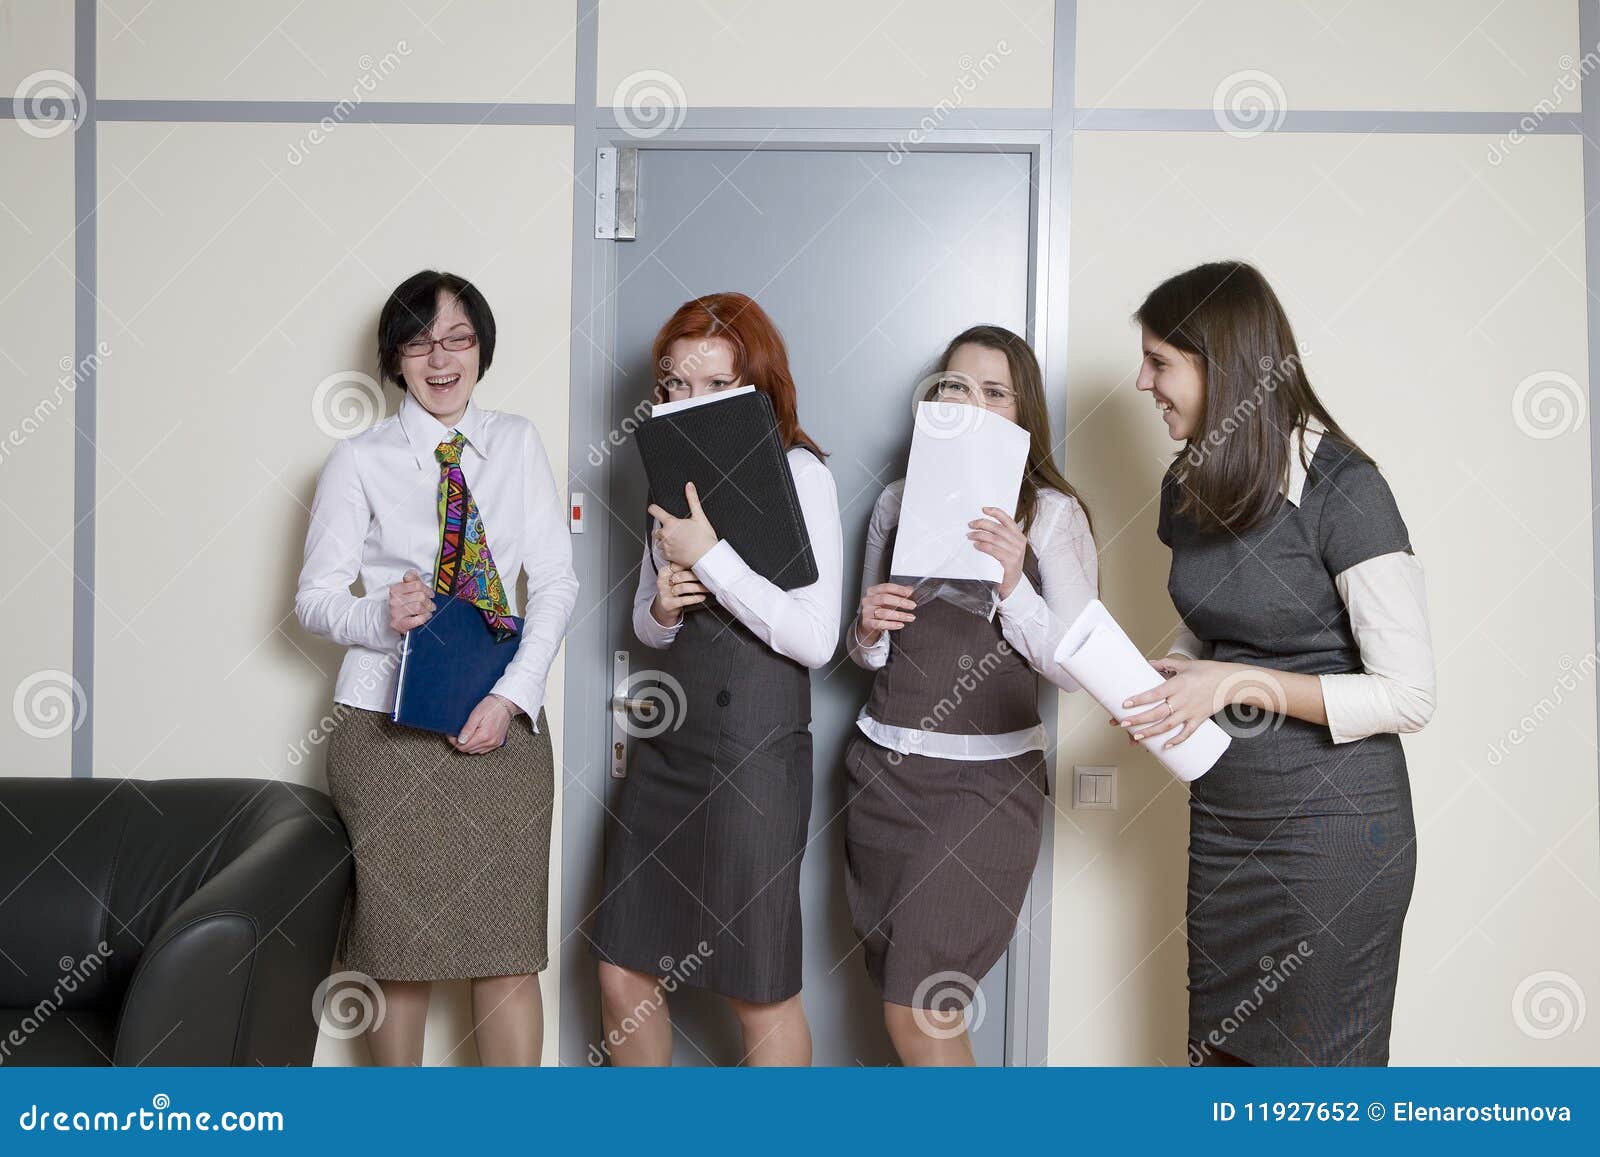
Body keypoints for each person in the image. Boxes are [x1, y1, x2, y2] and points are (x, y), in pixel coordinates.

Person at [1124, 260, 1435, 1066]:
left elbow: (1408, 693)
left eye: (1160, 361)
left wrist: (1233, 683)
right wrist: (1178, 679)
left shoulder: (1346, 488)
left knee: (1320, 1083)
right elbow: (1216, 628)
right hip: (1227, 820)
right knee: (1220, 1063)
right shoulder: (1187, 483)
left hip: (1336, 832)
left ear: (1218, 363)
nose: (1141, 380)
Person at [295, 270, 578, 1066]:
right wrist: (377, 615)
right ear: (395, 358)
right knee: (398, 960)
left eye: (458, 338)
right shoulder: (359, 460)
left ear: (481, 348)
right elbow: (315, 599)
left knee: (508, 954)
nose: (441, 358)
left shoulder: (517, 442)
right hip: (387, 733)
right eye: (419, 342)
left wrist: (516, 694)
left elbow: (555, 581)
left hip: (502, 725)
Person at [589, 292, 843, 1066]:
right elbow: (645, 621)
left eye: (710, 387)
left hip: (754, 757)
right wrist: (663, 605)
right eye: (672, 385)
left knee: (757, 987)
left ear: (755, 389)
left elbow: (817, 637)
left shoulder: (802, 473)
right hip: (669, 748)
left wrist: (711, 559)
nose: (685, 403)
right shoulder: (668, 473)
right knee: (621, 968)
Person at [843, 324, 1098, 1065]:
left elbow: (1076, 666)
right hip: (882, 778)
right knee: (902, 998)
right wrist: (866, 626)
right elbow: (867, 653)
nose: (974, 404)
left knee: (919, 1011)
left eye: (996, 391)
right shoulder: (896, 500)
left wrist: (1014, 583)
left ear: (1024, 415)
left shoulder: (1050, 514)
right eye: (957, 388)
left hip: (986, 790)